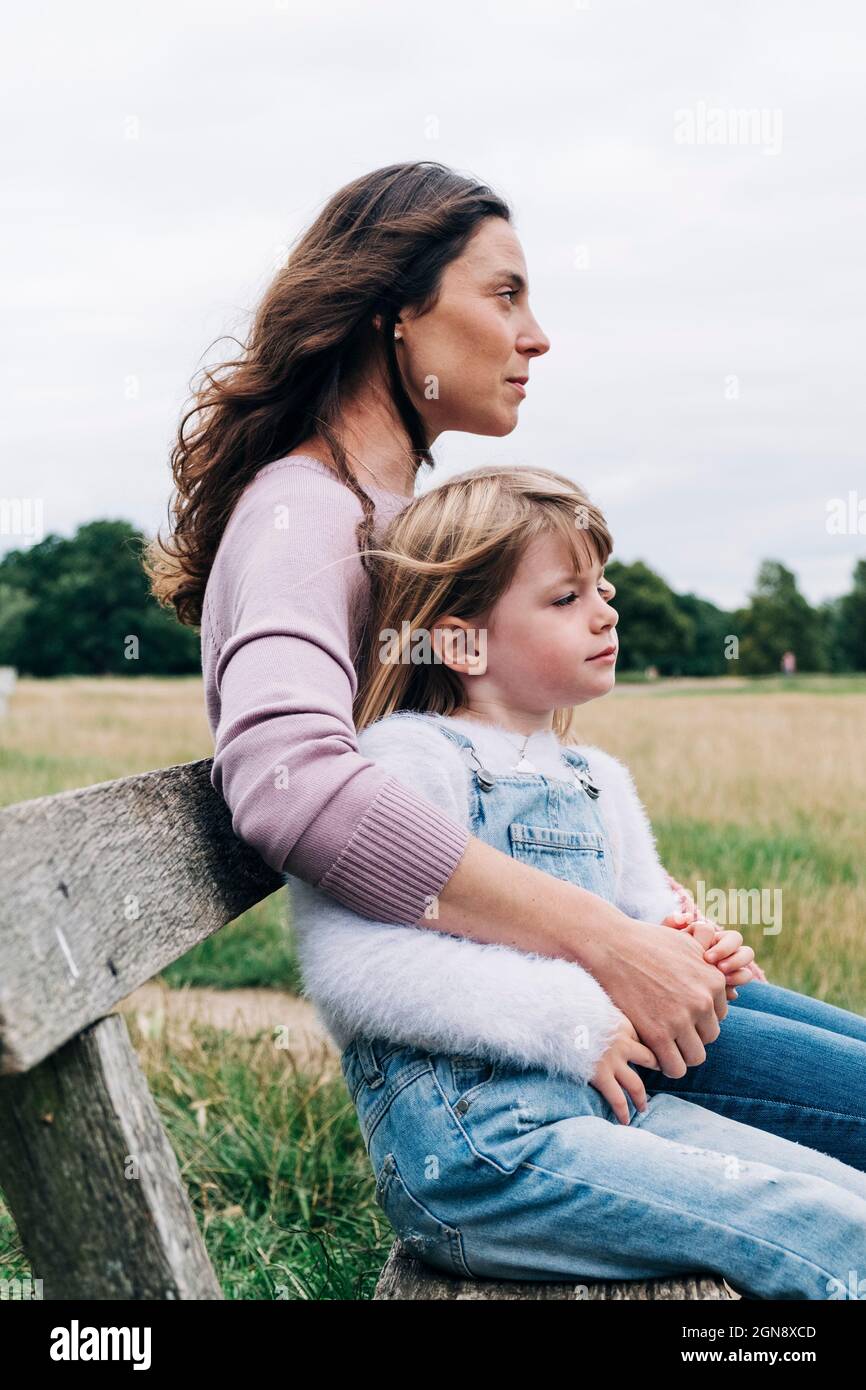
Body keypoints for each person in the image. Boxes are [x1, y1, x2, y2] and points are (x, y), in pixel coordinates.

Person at [145, 160, 862, 1155]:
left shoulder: (389, 520)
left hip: (540, 1004)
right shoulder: (298, 515)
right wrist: (603, 937)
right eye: (505, 293)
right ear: (394, 312)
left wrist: (646, 918)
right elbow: (283, 778)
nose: (535, 334)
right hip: (498, 1056)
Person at [288, 465, 866, 1298]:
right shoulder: (415, 758)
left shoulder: (595, 778)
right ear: (460, 642)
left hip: (608, 1115)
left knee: (847, 1203)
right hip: (482, 1152)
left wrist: (695, 951)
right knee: (818, 1229)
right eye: (566, 598)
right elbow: (354, 969)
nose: (607, 612)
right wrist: (574, 1021)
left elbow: (641, 927)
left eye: (604, 587)